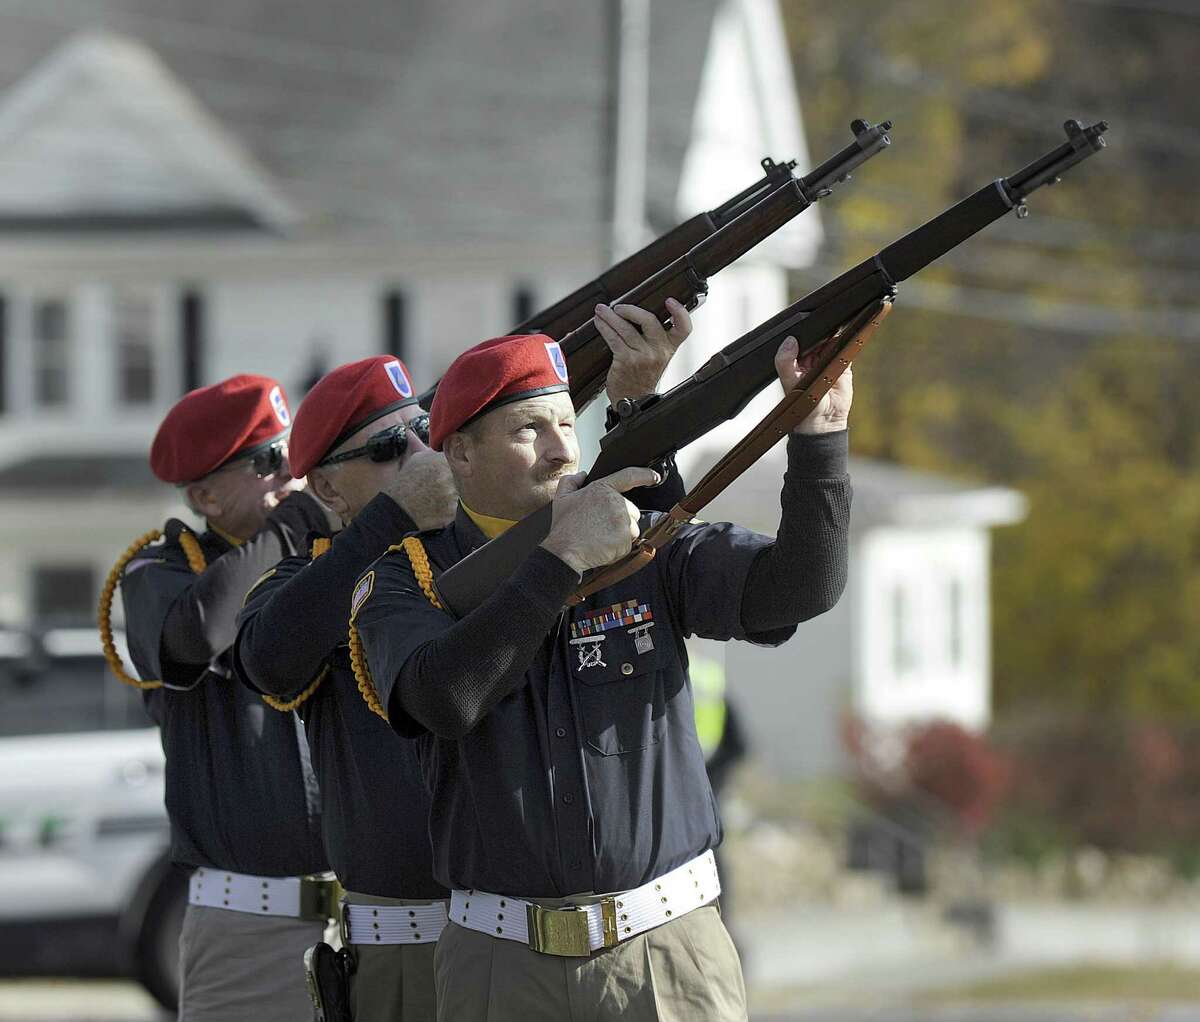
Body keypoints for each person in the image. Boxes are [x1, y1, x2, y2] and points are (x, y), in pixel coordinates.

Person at [350, 330, 853, 1021]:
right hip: (498, 963)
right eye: (530, 429)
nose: (562, 449)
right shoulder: (406, 578)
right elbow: (444, 699)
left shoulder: (640, 537)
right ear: (460, 452)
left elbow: (798, 589)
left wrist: (819, 437)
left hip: (666, 952)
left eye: (566, 423)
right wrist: (558, 561)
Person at [233, 301, 695, 1021]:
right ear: (325, 488)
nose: (421, 457)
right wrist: (391, 519)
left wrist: (636, 397)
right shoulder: (312, 582)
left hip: (539, 940)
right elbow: (271, 657)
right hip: (412, 946)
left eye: (424, 433)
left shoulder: (519, 548)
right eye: (388, 451)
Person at [101, 375, 336, 1022]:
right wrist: (296, 526)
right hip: (247, 924)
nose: (290, 471)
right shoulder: (161, 571)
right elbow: (199, 632)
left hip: (366, 918)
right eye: (266, 462)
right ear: (204, 494)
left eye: (293, 451)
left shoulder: (324, 558)